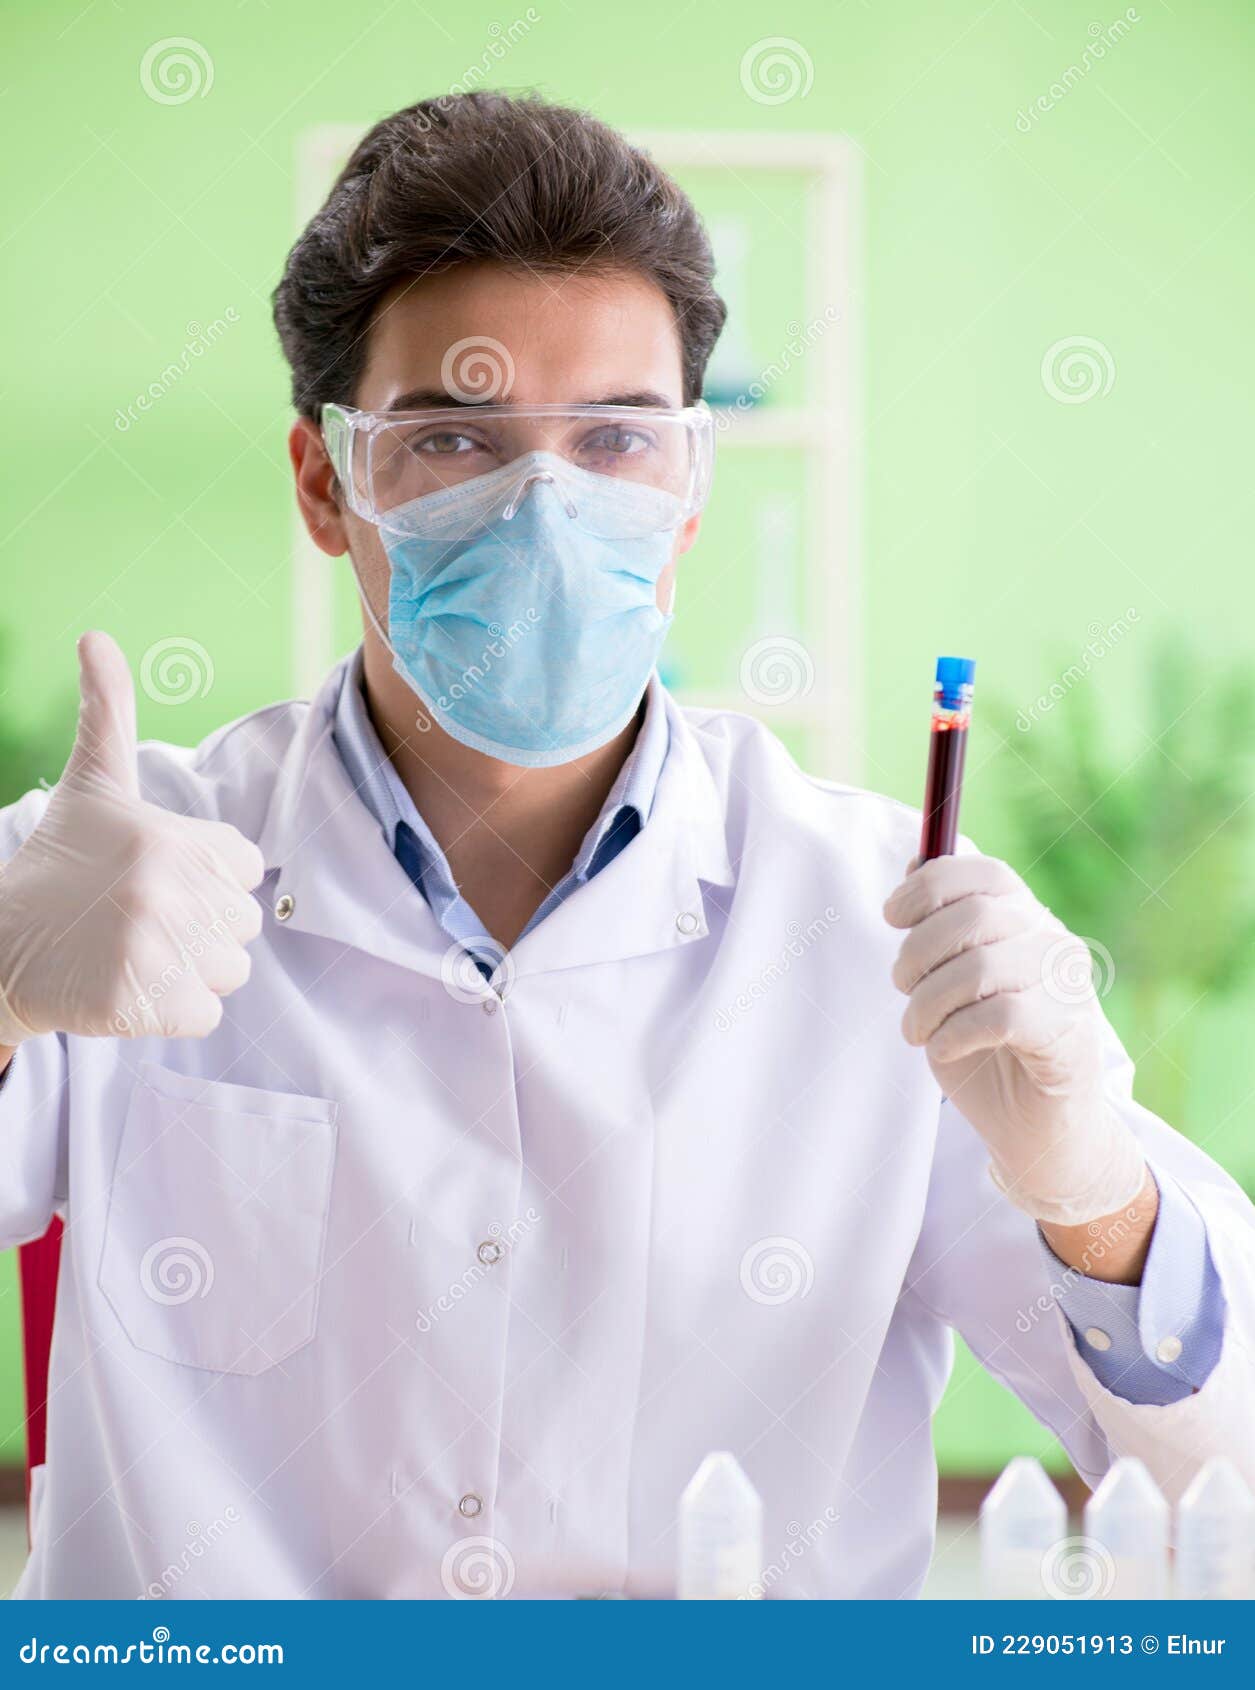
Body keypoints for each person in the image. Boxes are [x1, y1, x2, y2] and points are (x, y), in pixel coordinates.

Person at [0, 91, 1250, 1601]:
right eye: (452, 437)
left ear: (694, 485)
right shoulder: (113, 876)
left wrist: (1089, 1186)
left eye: (615, 438)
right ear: (328, 484)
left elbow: (1216, 1480)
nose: (543, 508)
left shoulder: (885, 923)